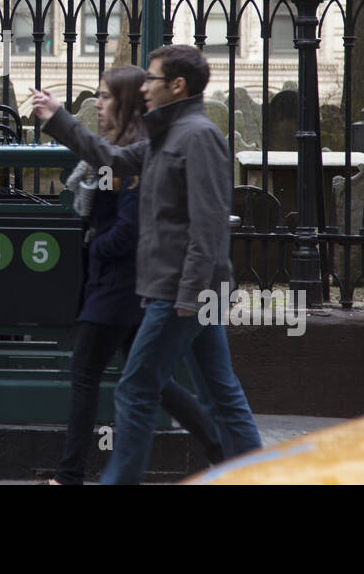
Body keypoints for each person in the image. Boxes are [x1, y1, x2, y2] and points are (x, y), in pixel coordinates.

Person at [30, 44, 261, 485]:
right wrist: (59, 118)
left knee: (137, 388)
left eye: (151, 79)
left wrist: (190, 294)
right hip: (182, 288)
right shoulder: (165, 136)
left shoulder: (198, 137)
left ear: (178, 85)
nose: (144, 87)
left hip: (182, 290)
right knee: (219, 393)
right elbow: (110, 158)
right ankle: (260, 476)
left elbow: (209, 225)